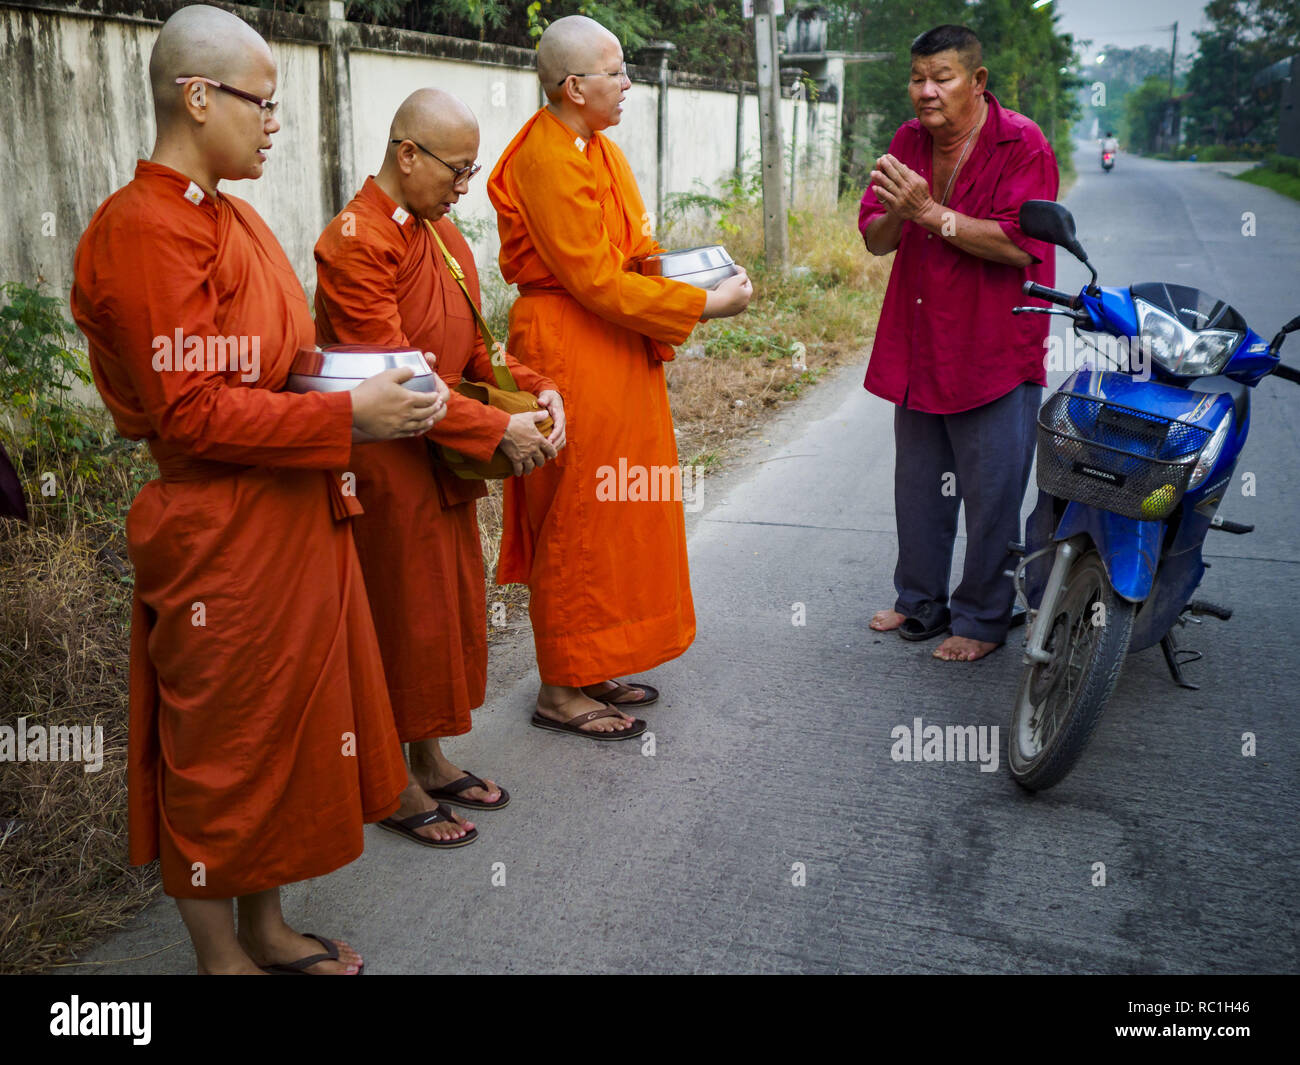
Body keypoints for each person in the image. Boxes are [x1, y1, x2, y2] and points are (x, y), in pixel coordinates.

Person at [70, 4, 449, 974]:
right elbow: (192, 411)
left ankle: (266, 926)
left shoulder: (229, 216)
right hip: (218, 529)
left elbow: (271, 364)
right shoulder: (144, 231)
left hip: (288, 512)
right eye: (262, 102)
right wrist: (344, 418)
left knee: (287, 732)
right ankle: (218, 954)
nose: (275, 122)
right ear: (198, 97)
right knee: (223, 749)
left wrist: (357, 380)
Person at [487, 15, 752, 737]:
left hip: (614, 346)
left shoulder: (597, 149)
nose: (629, 83)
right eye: (617, 71)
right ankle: (560, 689)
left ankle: (594, 662)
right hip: (572, 345)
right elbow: (596, 282)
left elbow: (635, 250)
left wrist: (700, 272)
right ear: (574, 86)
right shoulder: (546, 158)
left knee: (618, 515)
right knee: (576, 513)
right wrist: (702, 306)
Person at [314, 89, 561, 845]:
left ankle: (428, 754)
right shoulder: (354, 240)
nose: (464, 187)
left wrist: (536, 392)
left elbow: (476, 348)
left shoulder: (444, 236)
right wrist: (496, 430)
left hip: (446, 454)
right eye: (457, 170)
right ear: (406, 154)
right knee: (399, 614)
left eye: (472, 170)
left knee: (445, 611)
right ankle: (386, 781)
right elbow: (399, 377)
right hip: (388, 462)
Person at [859, 23, 1058, 662]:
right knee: (918, 486)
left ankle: (981, 616)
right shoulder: (906, 141)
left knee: (991, 493)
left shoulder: (1021, 143)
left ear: (976, 82)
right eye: (917, 78)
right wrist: (901, 211)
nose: (926, 92)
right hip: (919, 344)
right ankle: (919, 600)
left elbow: (1018, 244)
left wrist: (930, 214)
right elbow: (877, 238)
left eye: (941, 78)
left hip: (993, 349)